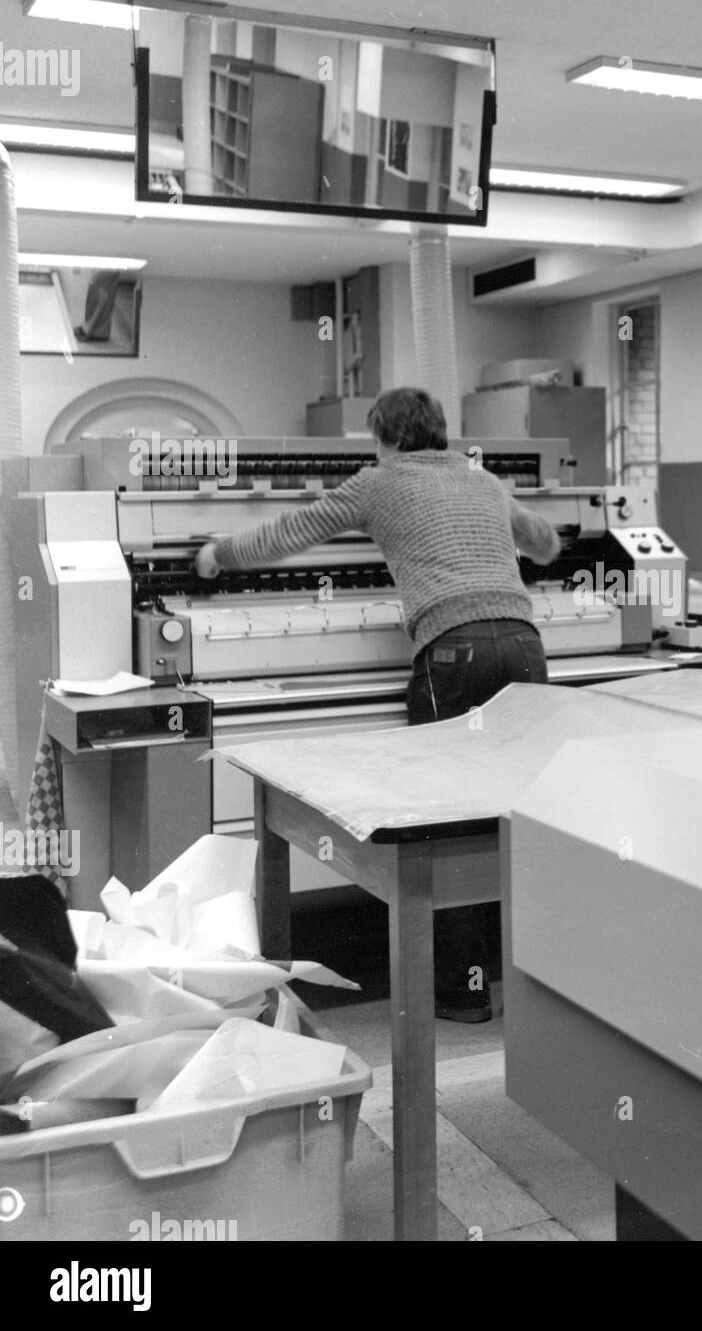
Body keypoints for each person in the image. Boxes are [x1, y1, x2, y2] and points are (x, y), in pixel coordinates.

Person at [195, 387, 560, 1022]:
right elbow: (547, 543)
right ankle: (547, 980)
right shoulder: (482, 479)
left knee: (447, 823)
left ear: (385, 439)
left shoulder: (378, 482)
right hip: (525, 649)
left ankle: (463, 992)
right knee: (518, 813)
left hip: (455, 655)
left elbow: (288, 533)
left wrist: (214, 556)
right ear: (440, 434)